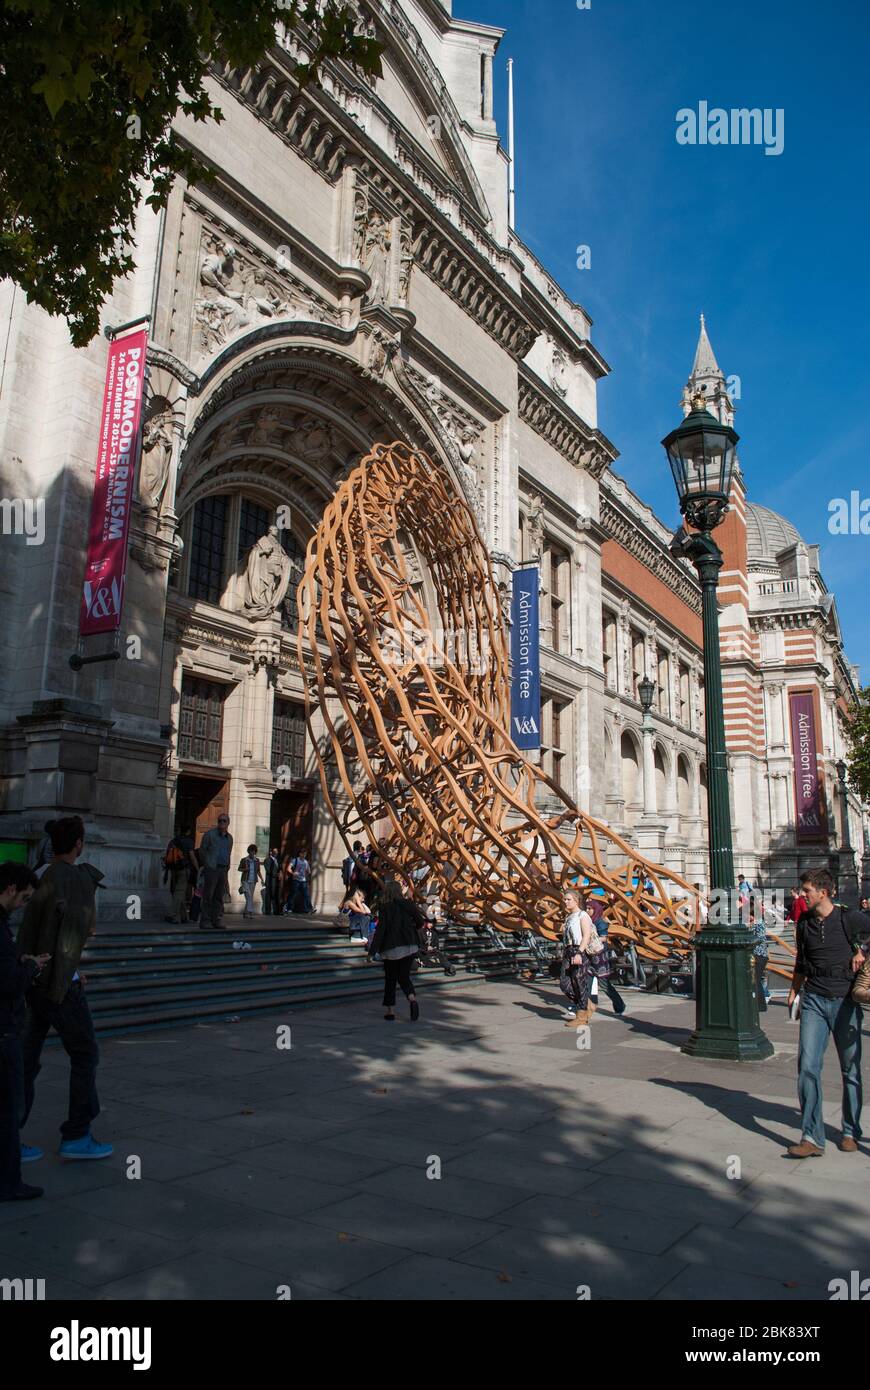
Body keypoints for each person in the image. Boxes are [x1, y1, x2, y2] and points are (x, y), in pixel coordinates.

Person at [17, 817, 113, 1161]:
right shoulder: (73, 878)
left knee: (25, 1060)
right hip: (58, 984)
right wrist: (69, 971)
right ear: (78, 844)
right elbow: (80, 933)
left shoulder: (39, 872)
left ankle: (9, 1136)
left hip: (28, 978)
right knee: (85, 1053)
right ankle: (77, 1134)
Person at [785, 867, 868, 1158]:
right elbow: (801, 961)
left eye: (806, 890)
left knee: (851, 1069)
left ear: (823, 892)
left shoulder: (848, 917)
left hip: (845, 1000)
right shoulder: (803, 923)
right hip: (814, 999)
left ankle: (850, 1130)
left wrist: (863, 951)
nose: (801, 895)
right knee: (807, 1066)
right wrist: (794, 990)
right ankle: (811, 1136)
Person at [0, 863, 49, 1201]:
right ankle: (8, 1182)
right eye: (23, 898)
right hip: (4, 1032)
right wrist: (30, 967)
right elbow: (8, 984)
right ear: (9, 889)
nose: (22, 906)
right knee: (8, 1109)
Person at [368, 878, 423, 1021]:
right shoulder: (408, 904)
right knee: (404, 976)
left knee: (390, 979)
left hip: (391, 947)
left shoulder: (385, 907)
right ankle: (412, 999)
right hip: (409, 945)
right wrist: (412, 929)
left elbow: (381, 930)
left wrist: (372, 951)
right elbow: (420, 921)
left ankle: (390, 1011)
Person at [561, 889, 596, 1028]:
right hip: (568, 950)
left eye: (568, 899)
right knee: (565, 984)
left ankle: (581, 1016)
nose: (565, 902)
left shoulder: (583, 915)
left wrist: (579, 953)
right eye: (565, 899)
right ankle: (587, 1004)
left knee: (579, 983)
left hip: (578, 950)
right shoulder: (569, 917)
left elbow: (586, 935)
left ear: (576, 900)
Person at [586, 896, 626, 1016]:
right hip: (589, 956)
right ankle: (586, 1008)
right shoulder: (588, 921)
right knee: (586, 983)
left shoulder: (600, 922)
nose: (588, 910)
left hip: (600, 958)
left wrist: (591, 939)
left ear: (596, 909)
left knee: (604, 985)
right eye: (587, 908)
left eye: (590, 908)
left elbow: (604, 937)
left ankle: (619, 1005)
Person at [198, 814, 233, 931]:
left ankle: (216, 920)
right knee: (208, 895)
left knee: (219, 896)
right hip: (212, 868)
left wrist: (227, 867)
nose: (222, 823)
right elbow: (202, 851)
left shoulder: (229, 838)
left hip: (223, 869)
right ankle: (205, 921)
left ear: (228, 823)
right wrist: (207, 865)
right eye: (220, 820)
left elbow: (228, 852)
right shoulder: (210, 835)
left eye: (224, 821)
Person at [164, 826, 198, 924]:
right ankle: (172, 915)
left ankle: (184, 917)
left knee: (180, 892)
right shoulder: (188, 841)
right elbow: (192, 856)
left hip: (173, 869)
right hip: (184, 869)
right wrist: (197, 868)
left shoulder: (173, 840)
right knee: (179, 892)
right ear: (188, 831)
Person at [238, 845, 263, 920]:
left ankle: (246, 913)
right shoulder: (244, 860)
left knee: (250, 897)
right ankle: (250, 912)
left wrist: (262, 879)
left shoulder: (257, 860)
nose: (253, 853)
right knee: (248, 896)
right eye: (251, 851)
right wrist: (245, 869)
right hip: (245, 880)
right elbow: (239, 868)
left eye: (254, 852)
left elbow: (258, 871)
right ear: (249, 852)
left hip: (253, 881)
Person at [284, 848, 312, 914]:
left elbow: (309, 871)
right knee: (293, 894)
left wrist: (306, 875)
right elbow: (288, 868)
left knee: (306, 895)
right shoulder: (295, 860)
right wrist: (293, 873)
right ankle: (288, 908)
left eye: (305, 854)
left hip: (303, 880)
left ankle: (307, 909)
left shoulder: (305, 862)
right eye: (303, 854)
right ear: (300, 854)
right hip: (296, 880)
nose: (304, 855)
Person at [263, 848, 282, 915]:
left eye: (277, 851)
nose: (276, 853)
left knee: (276, 896)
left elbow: (279, 868)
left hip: (276, 881)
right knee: (269, 896)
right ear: (271, 852)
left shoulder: (277, 860)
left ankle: (276, 911)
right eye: (275, 851)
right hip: (270, 881)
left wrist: (280, 873)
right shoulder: (267, 860)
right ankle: (268, 911)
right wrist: (276, 874)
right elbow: (268, 870)